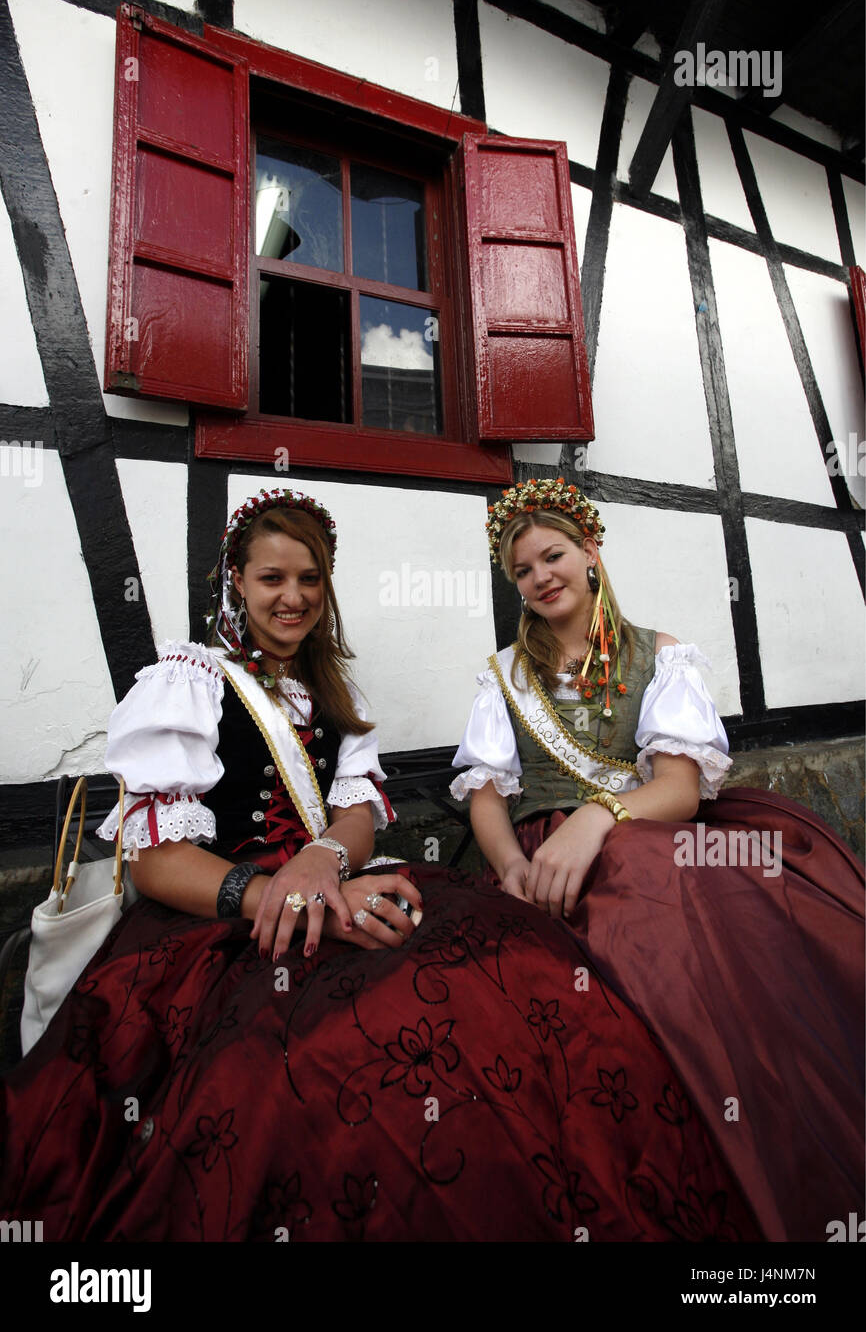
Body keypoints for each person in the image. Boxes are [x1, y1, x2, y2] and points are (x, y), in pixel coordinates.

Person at [0, 486, 843, 1243]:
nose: (292, 597)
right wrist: (278, 888)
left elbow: (356, 811)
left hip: (332, 879)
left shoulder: (335, 690)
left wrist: (327, 860)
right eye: (271, 580)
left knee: (515, 978)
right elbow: (152, 860)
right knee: (287, 1072)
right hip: (214, 912)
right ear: (237, 583)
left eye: (310, 581)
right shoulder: (187, 681)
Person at [449, 475, 864, 1242]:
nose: (541, 576)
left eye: (555, 555)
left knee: (691, 888)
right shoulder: (503, 675)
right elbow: (485, 795)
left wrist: (595, 819)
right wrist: (508, 865)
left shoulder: (661, 656)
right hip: (543, 847)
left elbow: (676, 788)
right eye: (523, 569)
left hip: (641, 832)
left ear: (591, 553)